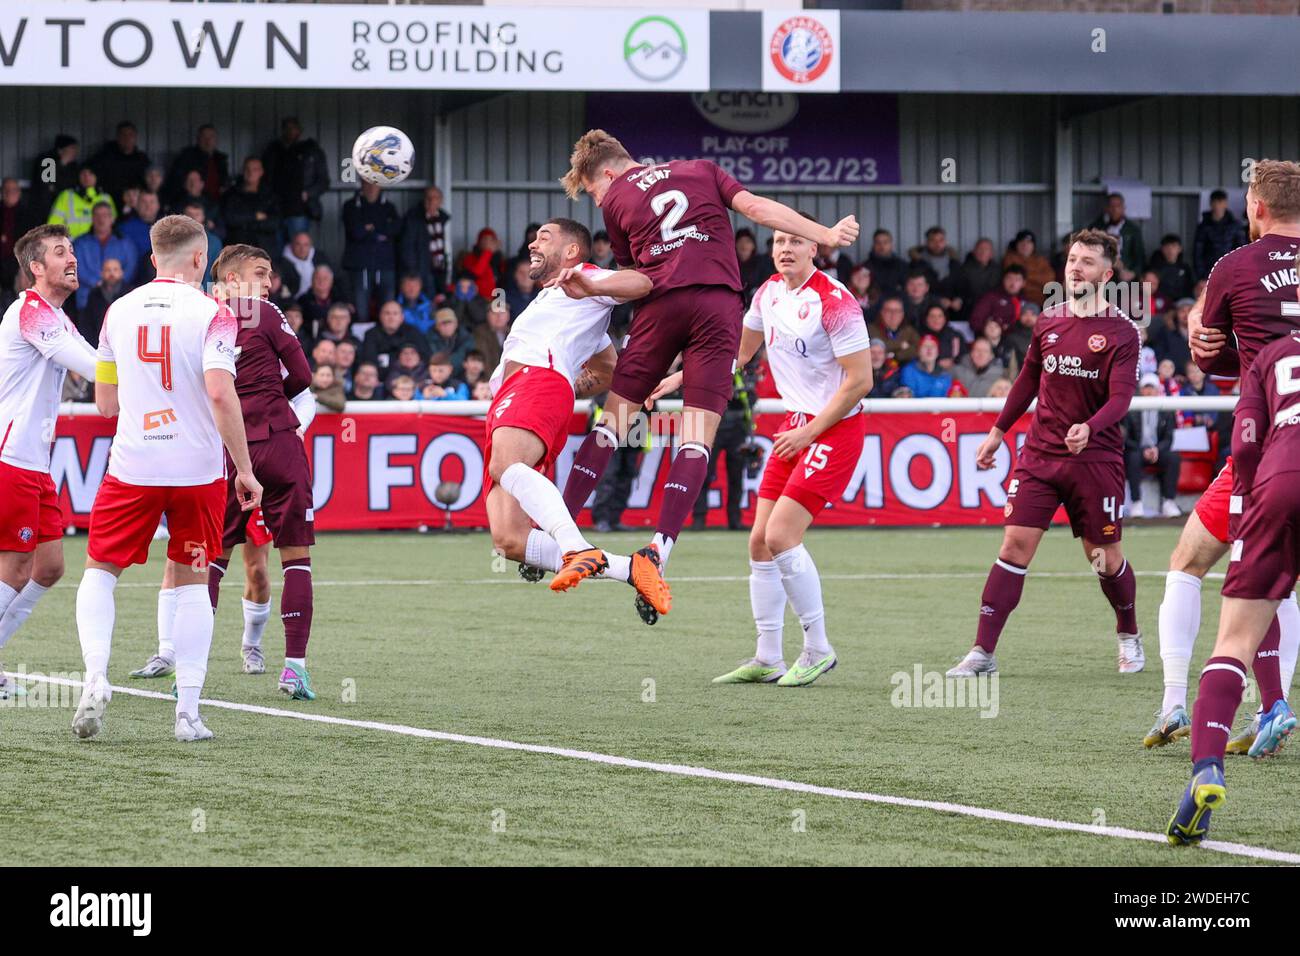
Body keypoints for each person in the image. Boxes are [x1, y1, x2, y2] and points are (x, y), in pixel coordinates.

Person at [556, 130, 859, 621]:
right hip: (719, 306)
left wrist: (590, 285)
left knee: (611, 423)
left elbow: (638, 282)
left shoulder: (616, 201)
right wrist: (822, 234)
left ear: (608, 174)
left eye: (593, 191)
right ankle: (657, 553)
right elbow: (759, 209)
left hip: (661, 311)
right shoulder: (701, 170)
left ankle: (559, 533)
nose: (598, 199)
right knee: (695, 439)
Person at [656, 224, 871, 687]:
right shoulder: (769, 293)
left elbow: (860, 380)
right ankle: (768, 656)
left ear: (816, 247)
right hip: (797, 426)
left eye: (795, 241)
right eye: (779, 242)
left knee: (781, 535)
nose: (786, 249)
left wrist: (811, 430)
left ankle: (818, 648)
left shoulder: (836, 302)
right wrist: (681, 378)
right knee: (758, 542)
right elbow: (738, 353)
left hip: (834, 430)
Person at [75, 214, 262, 742]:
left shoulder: (116, 311)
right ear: (201, 259)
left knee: (100, 571)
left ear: (153, 258)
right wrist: (244, 470)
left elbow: (106, 405)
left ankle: (94, 678)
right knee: (191, 580)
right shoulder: (214, 313)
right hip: (197, 470)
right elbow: (222, 394)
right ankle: (187, 714)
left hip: (134, 465)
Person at [1146, 159, 1300, 753]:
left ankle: (1188, 704)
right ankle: (1267, 704)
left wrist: (1197, 335)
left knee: (1203, 563)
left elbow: (1209, 359)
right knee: (1276, 579)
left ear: (1256, 207)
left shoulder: (1235, 266)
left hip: (1267, 439)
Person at [947, 229, 1142, 679]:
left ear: (1107, 274)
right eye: (1073, 259)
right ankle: (982, 653)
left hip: (1095, 460)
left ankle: (1128, 633)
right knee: (1014, 546)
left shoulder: (1122, 331)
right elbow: (1027, 381)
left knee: (1104, 558)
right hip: (1039, 455)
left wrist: (1089, 428)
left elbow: (1121, 398)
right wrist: (998, 432)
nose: (1076, 267)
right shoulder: (1048, 321)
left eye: (1087, 262)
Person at [130, 245, 317, 692]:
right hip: (278, 442)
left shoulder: (198, 316)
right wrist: (270, 394)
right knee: (296, 559)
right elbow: (304, 377)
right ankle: (293, 670)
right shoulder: (264, 312)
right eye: (260, 272)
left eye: (270, 274)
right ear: (232, 279)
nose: (269, 282)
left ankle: (188, 674)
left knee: (210, 561)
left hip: (225, 452)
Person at [477, 218, 670, 616]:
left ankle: (576, 548)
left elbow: (641, 283)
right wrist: (570, 384)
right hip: (518, 397)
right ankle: (630, 568)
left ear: (571, 252)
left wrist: (556, 382)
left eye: (544, 237)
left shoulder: (583, 278)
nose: (533, 242)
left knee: (505, 464)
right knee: (510, 540)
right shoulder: (565, 301)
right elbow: (607, 372)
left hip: (535, 383)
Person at [1166, 320, 1300, 846]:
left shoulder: (1271, 355)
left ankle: (1206, 769)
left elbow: (1245, 447)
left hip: (1280, 482)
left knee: (1235, 640)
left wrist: (1253, 501)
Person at [0, 225, 99, 698]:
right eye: (60, 252)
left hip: (34, 462)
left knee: (51, 567)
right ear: (36, 268)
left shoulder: (58, 317)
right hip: (10, 456)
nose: (72, 258)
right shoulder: (31, 312)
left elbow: (94, 360)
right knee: (16, 568)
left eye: (73, 250)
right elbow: (94, 366)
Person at [691, 365, 758, 532]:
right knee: (704, 474)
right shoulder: (713, 367)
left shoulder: (744, 371)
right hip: (713, 427)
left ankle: (735, 520)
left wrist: (745, 391)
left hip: (737, 429)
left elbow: (752, 399)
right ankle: (699, 519)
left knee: (736, 476)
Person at [1124, 373, 1181, 519]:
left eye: (1152, 388)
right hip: (1138, 450)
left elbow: (1169, 437)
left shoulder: (1166, 410)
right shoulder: (1132, 409)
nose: (1149, 391)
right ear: (1141, 390)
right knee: (1133, 458)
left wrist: (1157, 449)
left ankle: (1169, 501)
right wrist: (1143, 450)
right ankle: (1136, 502)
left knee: (1173, 458)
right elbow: (1126, 438)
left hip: (1158, 450)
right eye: (1146, 388)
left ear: (1157, 390)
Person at [262, 117, 328, 243]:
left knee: (298, 249)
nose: (290, 131)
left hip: (300, 209)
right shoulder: (273, 151)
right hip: (276, 209)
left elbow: (323, 181)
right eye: (287, 128)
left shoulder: (310, 150)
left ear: (299, 130)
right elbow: (264, 179)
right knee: (276, 252)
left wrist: (307, 193)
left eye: (293, 128)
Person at [342, 181, 400, 322]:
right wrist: (378, 231)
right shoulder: (351, 206)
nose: (371, 188)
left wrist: (369, 229)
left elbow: (395, 230)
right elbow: (356, 232)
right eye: (367, 184)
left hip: (385, 266)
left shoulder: (389, 206)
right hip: (360, 268)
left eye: (375, 184)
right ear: (361, 184)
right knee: (360, 311)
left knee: (387, 311)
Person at [72, 202, 138, 310]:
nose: (101, 219)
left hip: (119, 303)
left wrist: (112, 286)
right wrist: (99, 284)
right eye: (97, 215)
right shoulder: (80, 243)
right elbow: (76, 269)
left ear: (112, 219)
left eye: (105, 215)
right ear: (92, 218)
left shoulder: (125, 243)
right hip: (86, 302)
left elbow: (131, 269)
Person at [399, 185, 451, 299]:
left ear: (441, 201)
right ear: (423, 200)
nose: (431, 201)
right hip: (420, 271)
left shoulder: (443, 219)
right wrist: (413, 273)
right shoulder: (413, 218)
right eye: (428, 198)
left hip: (439, 270)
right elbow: (407, 247)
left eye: (435, 198)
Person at [220, 156, 279, 250]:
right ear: (243, 171)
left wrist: (245, 221)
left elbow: (275, 223)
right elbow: (230, 218)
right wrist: (255, 216)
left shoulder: (269, 195)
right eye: (247, 169)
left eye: (255, 169)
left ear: (261, 172)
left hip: (264, 247)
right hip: (238, 246)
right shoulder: (232, 194)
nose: (250, 173)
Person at [88, 121, 151, 209]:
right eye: (123, 135)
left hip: (135, 205)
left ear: (135, 137)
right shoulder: (104, 157)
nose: (127, 138)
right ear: (117, 137)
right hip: (109, 204)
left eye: (130, 135)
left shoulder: (142, 159)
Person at [165, 124, 230, 206]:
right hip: (195, 202)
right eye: (204, 137)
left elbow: (225, 181)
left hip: (218, 203)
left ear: (216, 140)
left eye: (211, 137)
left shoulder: (221, 159)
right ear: (198, 139)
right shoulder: (187, 156)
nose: (208, 140)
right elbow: (175, 181)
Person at [1192, 189, 1248, 280]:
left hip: (1231, 272)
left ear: (1225, 204)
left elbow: (1241, 249)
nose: (1218, 206)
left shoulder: (1235, 225)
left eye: (1220, 202)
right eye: (1215, 202)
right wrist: (1202, 276)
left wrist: (1238, 271)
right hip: (1209, 272)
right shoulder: (1203, 227)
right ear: (1211, 204)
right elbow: (1197, 253)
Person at [48, 166, 115, 240]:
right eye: (83, 174)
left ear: (96, 176)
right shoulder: (66, 196)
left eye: (90, 173)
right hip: (71, 246)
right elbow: (54, 225)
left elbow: (113, 225)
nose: (87, 177)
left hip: (99, 246)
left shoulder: (106, 198)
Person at [361, 299, 428, 374]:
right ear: (380, 316)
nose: (391, 317)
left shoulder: (413, 332)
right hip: (379, 377)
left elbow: (425, 357)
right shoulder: (371, 334)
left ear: (402, 317)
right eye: (387, 313)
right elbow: (369, 360)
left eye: (395, 314)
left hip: (409, 376)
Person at [0, 178, 41, 292]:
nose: (9, 193)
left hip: (18, 265)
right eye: (6, 190)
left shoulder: (29, 214)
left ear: (19, 193)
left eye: (13, 190)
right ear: (2, 192)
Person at [77, 257, 126, 347]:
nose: (111, 273)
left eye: (115, 269)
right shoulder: (94, 294)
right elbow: (87, 324)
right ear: (102, 273)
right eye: (108, 270)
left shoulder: (129, 294)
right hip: (98, 347)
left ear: (121, 273)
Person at [1001, 230, 1054, 307]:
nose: (1025, 245)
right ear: (1016, 245)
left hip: (1039, 300)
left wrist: (1025, 276)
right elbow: (1012, 279)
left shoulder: (1041, 260)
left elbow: (1049, 278)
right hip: (1017, 300)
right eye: (1021, 242)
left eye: (1029, 242)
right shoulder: (1010, 258)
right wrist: (1037, 277)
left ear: (1033, 245)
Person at [277, 231, 335, 300]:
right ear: (292, 245)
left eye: (306, 245)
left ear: (310, 246)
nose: (302, 249)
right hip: (294, 303)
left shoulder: (320, 258)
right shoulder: (282, 264)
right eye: (298, 244)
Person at [867, 295, 920, 366]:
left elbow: (919, 348)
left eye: (897, 311)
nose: (893, 314)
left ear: (902, 314)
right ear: (882, 312)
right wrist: (901, 345)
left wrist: (896, 355)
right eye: (889, 310)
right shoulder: (871, 329)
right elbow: (880, 348)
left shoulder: (909, 331)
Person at [865, 228, 907, 296]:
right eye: (878, 243)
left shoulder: (902, 266)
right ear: (873, 245)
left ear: (891, 244)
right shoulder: (866, 267)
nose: (882, 246)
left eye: (885, 242)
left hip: (896, 304)